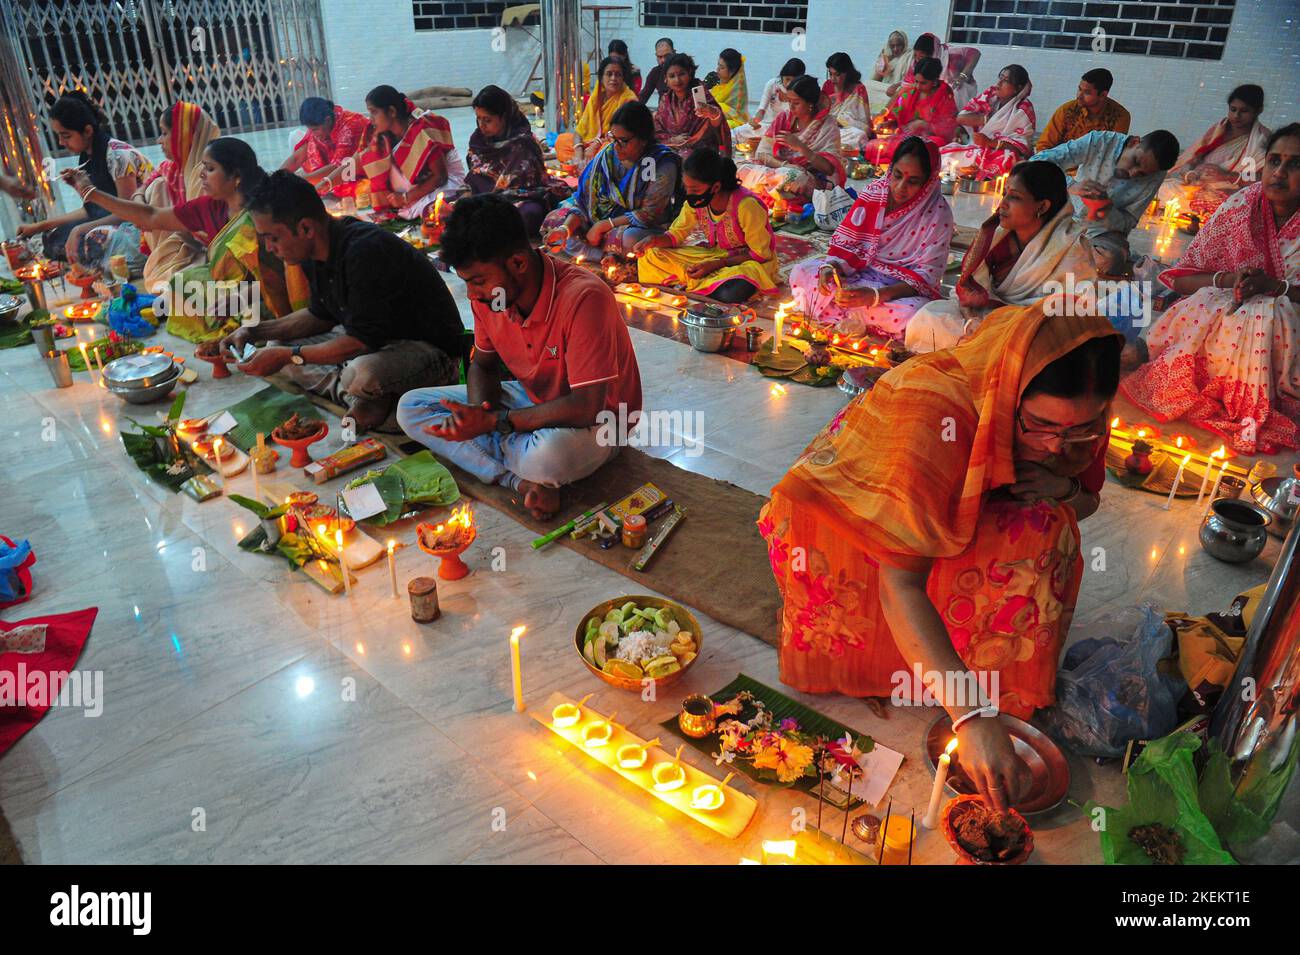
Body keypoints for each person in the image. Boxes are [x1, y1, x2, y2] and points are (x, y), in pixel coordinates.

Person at [760, 304, 1121, 811]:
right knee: (875, 579)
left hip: (948, 514)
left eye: (1078, 430)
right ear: (1007, 388)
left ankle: (986, 676)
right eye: (1039, 426)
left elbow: (1085, 503)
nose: (1055, 444)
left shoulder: (1081, 420)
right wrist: (971, 717)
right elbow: (901, 582)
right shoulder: (934, 413)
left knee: (1045, 531)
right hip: (851, 524)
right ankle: (883, 667)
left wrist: (1061, 487)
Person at [397, 194, 643, 520]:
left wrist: (495, 424)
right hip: (531, 400)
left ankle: (524, 467)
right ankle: (521, 481)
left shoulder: (584, 297)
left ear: (517, 263)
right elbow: (483, 366)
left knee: (549, 458)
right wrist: (478, 412)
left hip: (602, 422)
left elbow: (587, 406)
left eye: (479, 281)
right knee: (411, 408)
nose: (472, 294)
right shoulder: (490, 298)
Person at [223, 171, 464, 431]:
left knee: (360, 374)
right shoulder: (311, 251)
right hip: (374, 344)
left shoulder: (364, 251)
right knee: (277, 344)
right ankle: (367, 401)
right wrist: (252, 331)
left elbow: (360, 342)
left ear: (305, 228)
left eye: (273, 237)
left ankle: (368, 399)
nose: (270, 248)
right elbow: (319, 316)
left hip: (429, 353)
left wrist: (288, 357)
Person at [1121, 124, 1300, 455]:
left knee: (1268, 311)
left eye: (1295, 164)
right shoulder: (1241, 206)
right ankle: (1182, 375)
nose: (1280, 173)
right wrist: (1230, 280)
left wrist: (1276, 288)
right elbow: (1184, 279)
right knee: (1208, 301)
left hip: (1288, 327)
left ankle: (1246, 399)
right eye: (1274, 161)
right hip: (1229, 307)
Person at [61, 137, 309, 340]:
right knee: (183, 281)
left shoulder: (265, 212)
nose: (201, 175)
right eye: (202, 167)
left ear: (236, 177)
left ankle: (256, 325)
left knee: (196, 293)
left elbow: (280, 275)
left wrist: (241, 297)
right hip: (230, 291)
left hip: (267, 296)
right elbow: (151, 216)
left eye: (210, 169)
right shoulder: (211, 206)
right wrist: (90, 193)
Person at [906, 160, 1093, 352]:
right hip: (985, 316)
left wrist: (1001, 324)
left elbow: (1067, 315)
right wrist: (971, 317)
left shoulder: (1073, 249)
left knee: (1021, 349)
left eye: (1014, 197)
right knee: (927, 319)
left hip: (1029, 331)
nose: (1002, 204)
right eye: (1004, 194)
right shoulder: (996, 238)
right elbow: (965, 290)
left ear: (1043, 207)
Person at [788, 137, 954, 338]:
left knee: (915, 315)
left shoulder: (937, 213)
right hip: (859, 273)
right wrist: (832, 268)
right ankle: (856, 314)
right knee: (802, 272)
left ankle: (847, 313)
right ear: (890, 169)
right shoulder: (875, 193)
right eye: (897, 175)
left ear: (928, 182)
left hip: (897, 288)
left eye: (913, 181)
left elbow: (927, 278)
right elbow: (847, 246)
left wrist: (875, 296)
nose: (900, 186)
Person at [18, 91, 153, 267]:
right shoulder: (87, 156)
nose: (61, 142)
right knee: (53, 237)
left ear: (87, 130)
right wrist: (41, 226)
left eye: (66, 136)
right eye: (58, 136)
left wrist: (80, 229)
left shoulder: (118, 156)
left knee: (89, 239)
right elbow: (93, 210)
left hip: (139, 225)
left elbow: (126, 213)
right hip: (118, 221)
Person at [634, 147, 777, 303]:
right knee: (652, 255)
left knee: (732, 292)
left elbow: (761, 255)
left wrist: (717, 264)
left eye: (694, 189)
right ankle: (704, 284)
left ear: (715, 187)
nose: (689, 194)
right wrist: (653, 240)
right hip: (714, 256)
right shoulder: (696, 202)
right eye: (686, 188)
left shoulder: (746, 206)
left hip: (746, 262)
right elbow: (676, 235)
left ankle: (697, 283)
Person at [542, 101, 682, 260]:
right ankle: (604, 254)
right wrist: (565, 229)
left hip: (640, 227)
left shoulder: (659, 163)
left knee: (631, 239)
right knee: (555, 220)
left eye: (623, 140)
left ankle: (593, 252)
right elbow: (584, 201)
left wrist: (604, 225)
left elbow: (649, 215)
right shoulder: (608, 155)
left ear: (643, 139)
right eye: (613, 138)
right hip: (597, 222)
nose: (616, 146)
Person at [1033, 128, 1179, 241]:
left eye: (1141, 174)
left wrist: (1108, 210)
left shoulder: (1156, 175)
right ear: (1133, 142)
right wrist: (1071, 185)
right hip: (1065, 215)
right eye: (1136, 161)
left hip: (1102, 233)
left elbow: (1129, 222)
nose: (1132, 173)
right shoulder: (1100, 141)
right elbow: (1038, 161)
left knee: (1108, 260)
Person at [465, 85, 570, 235]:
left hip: (520, 198)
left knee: (528, 215)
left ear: (504, 117)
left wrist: (495, 198)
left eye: (487, 120)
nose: (481, 125)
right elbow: (475, 178)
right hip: (484, 197)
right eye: (478, 119)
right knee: (438, 206)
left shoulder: (523, 143)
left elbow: (530, 186)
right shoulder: (479, 140)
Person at [139, 101, 220, 292]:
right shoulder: (174, 168)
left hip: (214, 249)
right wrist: (138, 195)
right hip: (190, 242)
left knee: (178, 285)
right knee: (156, 187)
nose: (159, 140)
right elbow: (146, 185)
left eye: (164, 133)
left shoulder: (207, 173)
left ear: (183, 136)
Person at [1157, 84, 1270, 220]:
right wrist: (1191, 174)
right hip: (1196, 185)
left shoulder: (1261, 140)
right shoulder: (1220, 128)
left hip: (1227, 192)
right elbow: (1195, 158)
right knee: (1160, 189)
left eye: (1244, 111)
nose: (1236, 116)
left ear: (1259, 110)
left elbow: (1258, 181)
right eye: (1233, 109)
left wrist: (1226, 175)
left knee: (1229, 207)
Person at [736, 75, 844, 207]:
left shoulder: (828, 125)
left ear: (810, 104)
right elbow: (762, 154)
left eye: (796, 103)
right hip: (778, 170)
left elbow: (829, 169)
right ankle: (775, 191)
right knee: (739, 168)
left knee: (796, 178)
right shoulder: (784, 117)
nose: (791, 107)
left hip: (807, 178)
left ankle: (768, 190)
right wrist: (785, 165)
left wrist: (802, 148)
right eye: (789, 101)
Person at [359, 85, 465, 218]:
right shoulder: (383, 136)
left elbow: (440, 176)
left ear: (392, 111)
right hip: (419, 187)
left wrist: (405, 197)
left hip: (447, 181)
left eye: (374, 112)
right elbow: (359, 159)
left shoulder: (420, 130)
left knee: (434, 211)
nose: (370, 119)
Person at [941, 65, 1035, 180]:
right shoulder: (991, 96)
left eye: (1005, 80)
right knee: (946, 155)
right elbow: (961, 118)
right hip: (980, 148)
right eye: (1000, 77)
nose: (999, 83)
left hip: (1003, 153)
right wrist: (986, 119)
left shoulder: (1023, 109)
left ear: (1017, 88)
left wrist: (991, 142)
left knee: (1007, 161)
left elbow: (1022, 148)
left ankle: (983, 176)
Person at [861, 58, 957, 165]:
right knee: (871, 146)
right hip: (905, 138)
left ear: (934, 81)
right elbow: (898, 119)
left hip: (928, 140)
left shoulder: (944, 95)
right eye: (916, 81)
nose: (917, 86)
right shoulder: (910, 92)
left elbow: (948, 128)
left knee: (932, 145)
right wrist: (888, 123)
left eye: (923, 83)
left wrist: (925, 124)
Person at [281, 97, 371, 197]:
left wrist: (301, 180)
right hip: (336, 175)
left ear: (327, 120)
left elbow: (339, 168)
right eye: (310, 129)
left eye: (315, 129)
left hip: (358, 175)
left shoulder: (350, 125)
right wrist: (277, 178)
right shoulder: (321, 126)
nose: (313, 134)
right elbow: (297, 158)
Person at [653, 54, 731, 159]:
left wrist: (712, 112)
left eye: (681, 74)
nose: (677, 80)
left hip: (700, 153)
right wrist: (673, 140)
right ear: (666, 79)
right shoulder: (666, 99)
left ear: (690, 73)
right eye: (672, 76)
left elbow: (717, 124)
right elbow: (658, 130)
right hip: (671, 149)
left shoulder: (701, 94)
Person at [1035, 69, 1131, 154]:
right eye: (1079, 89)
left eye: (1087, 92)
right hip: (1059, 166)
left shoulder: (1120, 116)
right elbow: (1044, 145)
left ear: (1103, 95)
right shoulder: (1067, 110)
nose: (1079, 96)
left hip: (1094, 171)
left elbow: (1112, 153)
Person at [573, 56, 638, 166]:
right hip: (590, 142)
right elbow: (580, 129)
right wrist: (579, 150)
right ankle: (586, 161)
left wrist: (596, 145)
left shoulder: (628, 99)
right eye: (609, 74)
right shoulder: (596, 96)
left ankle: (593, 163)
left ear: (623, 78)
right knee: (562, 140)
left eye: (618, 74)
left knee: (608, 150)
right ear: (601, 77)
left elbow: (621, 136)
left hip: (612, 144)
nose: (613, 78)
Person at [889, 33, 979, 109]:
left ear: (933, 53)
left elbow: (975, 53)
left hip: (956, 93)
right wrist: (885, 110)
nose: (917, 59)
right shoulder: (916, 64)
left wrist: (962, 76)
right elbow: (906, 86)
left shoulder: (952, 55)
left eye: (921, 56)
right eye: (915, 55)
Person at [731, 58, 804, 143]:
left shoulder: (801, 92)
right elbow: (761, 110)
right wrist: (755, 121)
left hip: (783, 130)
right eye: (787, 79)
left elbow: (796, 121)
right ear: (782, 77)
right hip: (765, 125)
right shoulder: (772, 84)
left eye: (793, 80)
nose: (788, 84)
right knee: (739, 132)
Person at [822, 52, 873, 152]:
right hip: (830, 127)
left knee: (859, 136)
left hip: (850, 130)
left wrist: (841, 120)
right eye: (830, 74)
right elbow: (821, 112)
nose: (832, 79)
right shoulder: (828, 85)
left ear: (847, 73)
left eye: (837, 75)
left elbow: (863, 122)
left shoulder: (858, 89)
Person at [865, 30, 910, 107]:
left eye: (899, 45)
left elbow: (909, 81)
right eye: (892, 46)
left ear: (904, 44)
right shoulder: (887, 56)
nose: (895, 49)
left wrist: (895, 86)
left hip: (899, 89)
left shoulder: (909, 57)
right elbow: (875, 80)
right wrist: (884, 63)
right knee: (866, 85)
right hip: (885, 88)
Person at [711, 49, 750, 129]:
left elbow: (736, 115)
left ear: (732, 71)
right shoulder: (717, 84)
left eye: (722, 67)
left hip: (735, 123)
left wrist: (715, 107)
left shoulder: (737, 90)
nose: (717, 69)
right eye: (718, 65)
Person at [637, 37, 676, 107]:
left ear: (674, 52)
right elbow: (643, 96)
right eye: (660, 57)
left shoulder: (683, 68)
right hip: (663, 113)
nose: (663, 60)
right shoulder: (655, 73)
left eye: (667, 56)